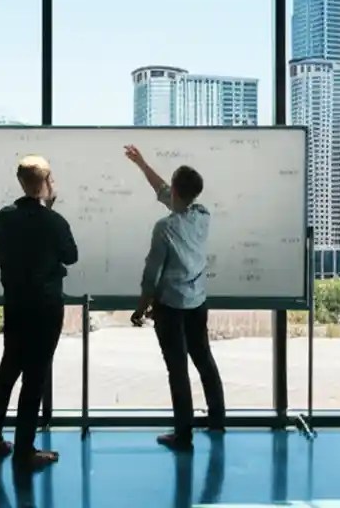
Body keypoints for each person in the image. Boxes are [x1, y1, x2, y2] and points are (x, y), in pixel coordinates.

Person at [125, 145, 226, 450]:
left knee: (178, 369)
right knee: (204, 359)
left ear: (177, 192)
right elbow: (165, 191)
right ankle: (217, 419)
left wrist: (140, 308)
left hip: (170, 308)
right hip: (197, 303)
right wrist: (143, 164)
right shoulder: (202, 215)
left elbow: (151, 274)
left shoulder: (165, 228)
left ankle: (183, 435)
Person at [0, 155, 78, 469]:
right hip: (46, 306)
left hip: (16, 304)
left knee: (8, 369)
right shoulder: (55, 221)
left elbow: (6, 247)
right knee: (35, 377)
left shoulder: (5, 216)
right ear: (46, 183)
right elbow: (71, 255)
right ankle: (25, 449)